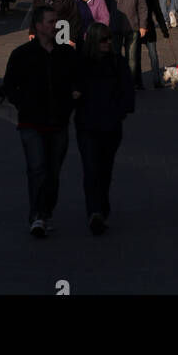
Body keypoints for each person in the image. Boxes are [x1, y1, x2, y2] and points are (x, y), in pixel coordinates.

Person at [3, 5, 82, 238]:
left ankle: (46, 211)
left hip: (58, 122)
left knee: (53, 172)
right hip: (31, 122)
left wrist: (72, 100)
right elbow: (9, 85)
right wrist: (22, 103)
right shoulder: (22, 54)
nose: (55, 25)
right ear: (38, 26)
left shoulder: (65, 54)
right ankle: (37, 216)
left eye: (56, 21)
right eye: (50, 22)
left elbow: (77, 81)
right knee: (37, 169)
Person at [74, 22, 135, 235]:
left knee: (105, 168)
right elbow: (72, 89)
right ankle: (95, 211)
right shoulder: (81, 63)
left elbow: (128, 91)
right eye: (103, 40)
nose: (108, 43)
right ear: (93, 41)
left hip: (110, 124)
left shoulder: (117, 63)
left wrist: (120, 111)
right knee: (91, 168)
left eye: (109, 39)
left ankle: (102, 206)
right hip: (87, 125)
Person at [103, 0, 148, 89]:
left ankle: (131, 83)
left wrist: (143, 25)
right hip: (115, 27)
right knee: (115, 56)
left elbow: (142, 7)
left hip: (132, 27)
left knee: (132, 59)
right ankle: (116, 82)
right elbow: (105, 7)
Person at [139, 0, 169, 88]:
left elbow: (158, 13)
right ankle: (140, 81)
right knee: (145, 56)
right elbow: (158, 13)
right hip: (141, 27)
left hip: (149, 28)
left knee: (153, 55)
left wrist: (164, 30)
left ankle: (156, 80)